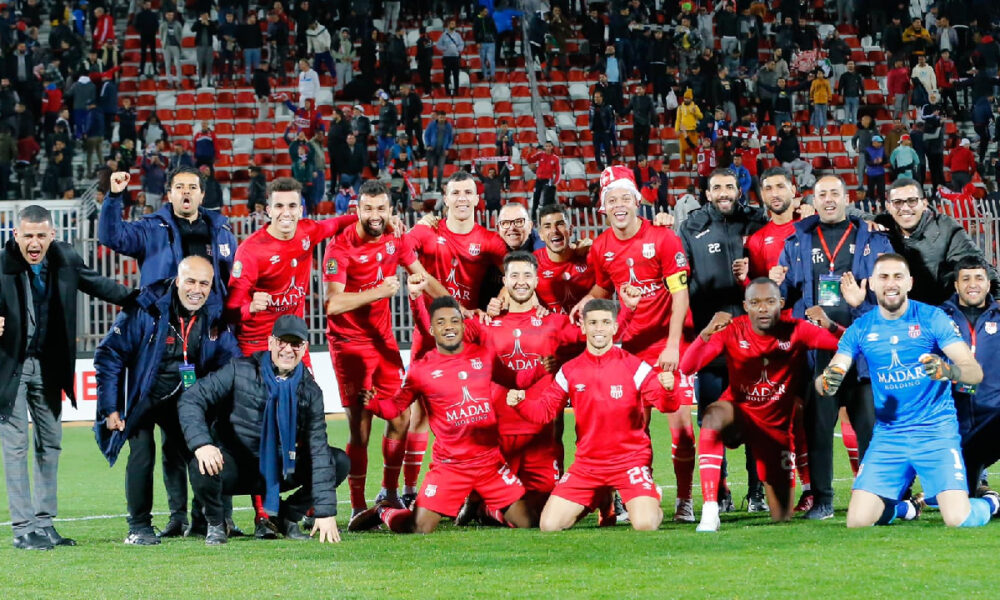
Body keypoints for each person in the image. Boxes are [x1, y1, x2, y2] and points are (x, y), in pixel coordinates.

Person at [817, 254, 1000, 528]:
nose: (891, 284)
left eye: (898, 277)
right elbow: (829, 375)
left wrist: (949, 371)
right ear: (873, 285)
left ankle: (990, 502)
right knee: (857, 520)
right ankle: (906, 509)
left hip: (935, 432)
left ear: (910, 283)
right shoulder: (861, 329)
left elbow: (973, 371)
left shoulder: (932, 318)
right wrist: (827, 381)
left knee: (957, 519)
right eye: (884, 277)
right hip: (890, 437)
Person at [0, 205, 134, 550]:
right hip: (9, 369)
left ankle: (44, 525)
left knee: (51, 444)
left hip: (50, 366)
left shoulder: (66, 259)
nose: (34, 242)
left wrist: (141, 299)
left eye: (40, 235)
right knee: (15, 447)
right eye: (27, 235)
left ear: (52, 235)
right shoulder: (1, 264)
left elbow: (102, 286)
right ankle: (22, 530)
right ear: (15, 235)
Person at [356, 296, 542, 533]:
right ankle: (384, 510)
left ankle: (482, 508)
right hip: (450, 466)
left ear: (463, 325)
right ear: (432, 329)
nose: (449, 327)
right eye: (441, 322)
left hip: (489, 463)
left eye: (454, 321)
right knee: (419, 528)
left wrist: (543, 367)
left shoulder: (483, 356)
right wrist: (374, 405)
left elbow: (515, 379)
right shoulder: (421, 369)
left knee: (528, 523)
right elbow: (396, 407)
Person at [570, 166, 694, 522]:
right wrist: (586, 301)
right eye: (612, 199)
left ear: (637, 201)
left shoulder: (664, 239)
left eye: (625, 197)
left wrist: (673, 346)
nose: (619, 205)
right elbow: (603, 287)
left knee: (682, 426)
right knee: (632, 430)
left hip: (667, 345)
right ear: (603, 207)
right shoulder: (601, 246)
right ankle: (641, 496)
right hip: (628, 351)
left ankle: (685, 499)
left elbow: (680, 297)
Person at [771, 175, 893, 520]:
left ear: (846, 197)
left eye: (834, 193)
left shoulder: (871, 238)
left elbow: (887, 292)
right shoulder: (798, 239)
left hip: (863, 348)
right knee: (820, 429)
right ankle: (823, 500)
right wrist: (776, 287)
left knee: (869, 425)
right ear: (813, 199)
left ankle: (875, 497)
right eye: (821, 194)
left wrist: (859, 305)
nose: (828, 200)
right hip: (819, 353)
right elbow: (787, 293)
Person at [94, 256, 239, 545]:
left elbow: (230, 362)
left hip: (185, 401)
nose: (196, 289)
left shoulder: (215, 313)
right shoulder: (146, 307)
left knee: (201, 450)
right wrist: (109, 407)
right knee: (141, 453)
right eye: (190, 281)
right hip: (143, 397)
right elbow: (109, 355)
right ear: (177, 280)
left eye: (204, 283)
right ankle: (138, 527)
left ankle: (204, 520)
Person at [323, 181, 444, 516]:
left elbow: (421, 274)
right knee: (359, 426)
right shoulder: (339, 249)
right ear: (357, 210)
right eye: (368, 208)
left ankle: (388, 493)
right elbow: (332, 304)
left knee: (400, 415)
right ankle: (358, 507)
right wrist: (378, 292)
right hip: (348, 346)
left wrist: (453, 307)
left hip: (384, 343)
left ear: (390, 210)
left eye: (381, 209)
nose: (375, 215)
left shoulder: (396, 237)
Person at [683, 279, 843, 531]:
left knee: (781, 514)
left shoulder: (797, 329)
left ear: (780, 304)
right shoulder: (732, 329)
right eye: (755, 303)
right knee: (712, 415)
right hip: (738, 416)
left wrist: (832, 326)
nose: (763, 309)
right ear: (746, 306)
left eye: (770, 302)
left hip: (775, 428)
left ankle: (803, 489)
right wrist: (705, 334)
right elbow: (687, 367)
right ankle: (710, 509)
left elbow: (846, 344)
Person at [508, 298, 679, 531]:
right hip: (587, 466)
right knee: (549, 525)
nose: (599, 328)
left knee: (646, 524)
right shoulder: (570, 370)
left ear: (615, 327)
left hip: (629, 462)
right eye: (594, 322)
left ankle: (648, 497)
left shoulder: (634, 366)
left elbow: (667, 405)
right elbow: (545, 411)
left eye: (606, 322)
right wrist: (521, 403)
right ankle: (598, 497)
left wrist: (669, 390)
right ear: (583, 327)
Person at [179, 315, 350, 545]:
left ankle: (288, 517)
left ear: (304, 348)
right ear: (270, 342)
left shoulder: (311, 392)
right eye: (282, 342)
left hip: (281, 470)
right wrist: (202, 443)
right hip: (236, 467)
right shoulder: (239, 369)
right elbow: (191, 399)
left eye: (296, 344)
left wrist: (325, 511)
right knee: (200, 463)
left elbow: (318, 449)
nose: (288, 350)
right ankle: (216, 523)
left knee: (337, 461)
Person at [679, 167, 769, 511]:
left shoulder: (757, 220)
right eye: (717, 187)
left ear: (739, 189)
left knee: (757, 415)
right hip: (712, 341)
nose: (724, 193)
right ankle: (720, 491)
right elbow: (680, 277)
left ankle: (757, 492)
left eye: (729, 186)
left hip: (754, 341)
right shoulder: (691, 226)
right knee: (712, 418)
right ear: (708, 193)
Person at [225, 177, 357, 358]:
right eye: (279, 206)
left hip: (294, 340)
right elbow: (230, 312)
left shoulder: (308, 232)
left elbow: (337, 223)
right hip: (258, 344)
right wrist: (251, 307)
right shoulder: (250, 251)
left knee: (311, 387)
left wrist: (378, 218)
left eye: (292, 206)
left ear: (301, 210)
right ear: (269, 211)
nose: (286, 212)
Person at [99, 169, 237, 298]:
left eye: (192, 187)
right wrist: (114, 196)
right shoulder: (150, 228)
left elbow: (233, 281)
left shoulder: (222, 233)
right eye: (179, 187)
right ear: (169, 195)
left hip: (210, 319)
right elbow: (112, 237)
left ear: (202, 195)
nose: (186, 191)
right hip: (163, 318)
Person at [873, 178, 1000, 304]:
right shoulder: (880, 225)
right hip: (896, 312)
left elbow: (977, 263)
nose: (905, 208)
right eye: (898, 202)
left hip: (939, 311)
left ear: (924, 204)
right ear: (889, 207)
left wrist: (998, 296)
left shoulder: (945, 228)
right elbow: (855, 215)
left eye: (912, 201)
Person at [939, 258, 1000, 497]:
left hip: (993, 413)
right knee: (959, 494)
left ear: (988, 284)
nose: (972, 284)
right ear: (956, 285)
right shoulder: (939, 317)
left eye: (978, 278)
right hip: (952, 415)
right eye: (965, 279)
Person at [534, 204, 595, 315]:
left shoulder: (589, 255)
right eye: (547, 226)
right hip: (551, 331)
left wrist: (594, 246)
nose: (554, 230)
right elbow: (510, 290)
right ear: (541, 235)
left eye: (560, 224)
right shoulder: (532, 264)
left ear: (570, 230)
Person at [527, 142, 560, 219]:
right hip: (539, 180)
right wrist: (529, 153)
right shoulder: (540, 155)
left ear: (552, 147)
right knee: (536, 198)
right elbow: (530, 160)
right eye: (546, 146)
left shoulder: (555, 158)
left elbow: (558, 171)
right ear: (545, 147)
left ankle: (545, 217)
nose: (547, 148)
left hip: (548, 180)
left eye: (549, 146)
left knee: (546, 199)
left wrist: (556, 182)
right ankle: (533, 218)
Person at [423, 110, 454, 192]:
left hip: (442, 150)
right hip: (432, 149)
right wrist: (428, 144)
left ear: (445, 117)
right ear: (438, 117)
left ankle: (438, 186)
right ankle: (430, 185)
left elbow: (451, 138)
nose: (442, 119)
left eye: (443, 117)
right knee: (430, 167)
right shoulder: (432, 124)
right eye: (440, 117)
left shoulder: (448, 126)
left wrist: (447, 148)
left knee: (440, 169)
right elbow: (426, 135)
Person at [436, 19, 464, 96]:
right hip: (447, 58)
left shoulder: (457, 35)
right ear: (448, 25)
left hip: (455, 57)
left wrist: (458, 49)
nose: (453, 25)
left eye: (454, 24)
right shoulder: (443, 35)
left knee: (456, 76)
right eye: (451, 23)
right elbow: (438, 45)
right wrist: (444, 48)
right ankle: (447, 92)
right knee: (446, 76)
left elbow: (461, 44)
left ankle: (456, 92)